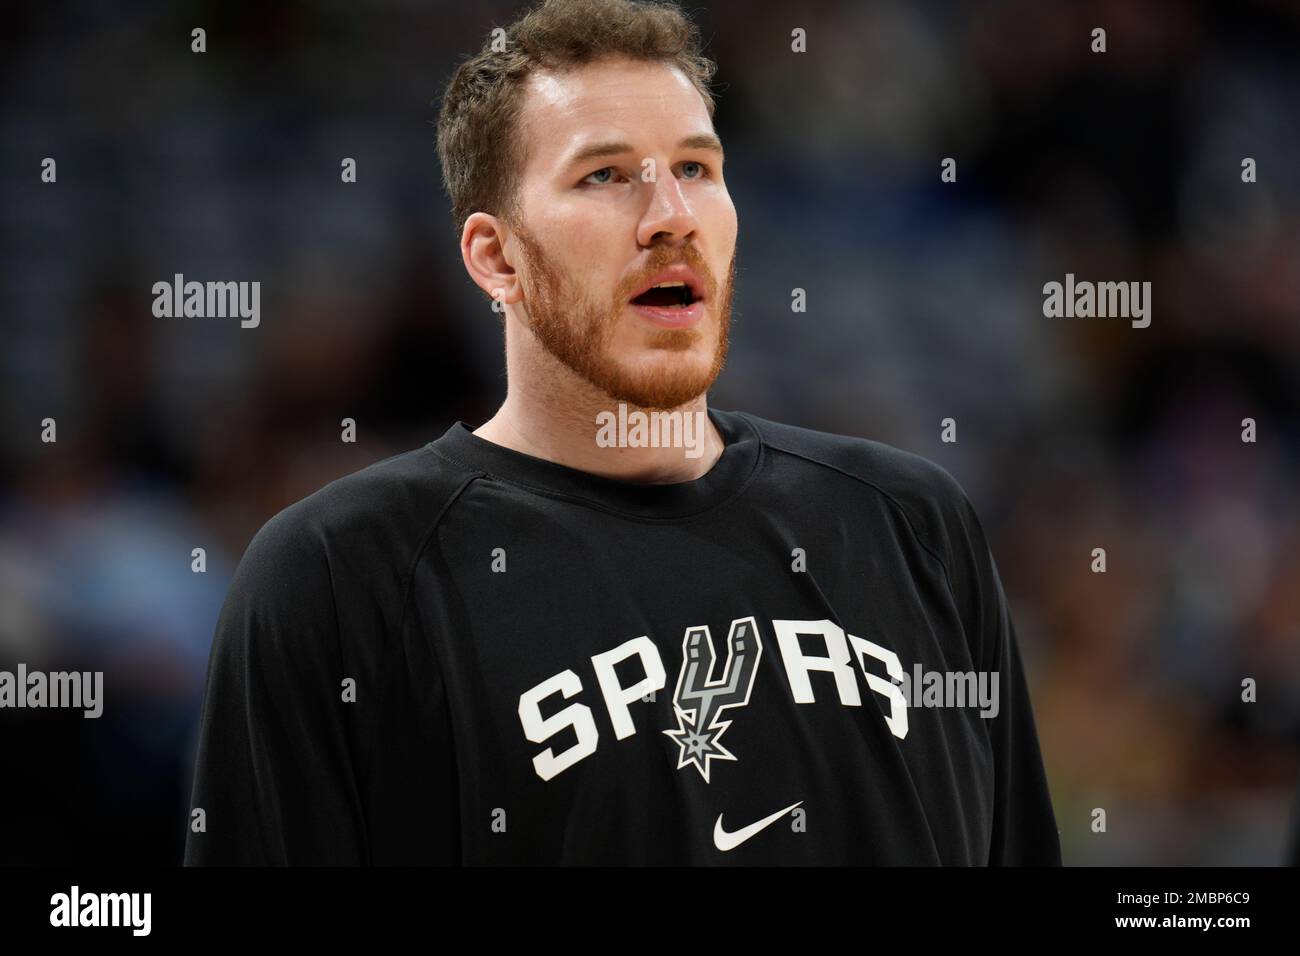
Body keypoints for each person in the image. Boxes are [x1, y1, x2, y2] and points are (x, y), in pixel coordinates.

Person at [184, 0, 1061, 865]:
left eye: (697, 167)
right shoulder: (344, 573)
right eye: (604, 175)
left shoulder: (911, 523)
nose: (670, 214)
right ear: (496, 257)